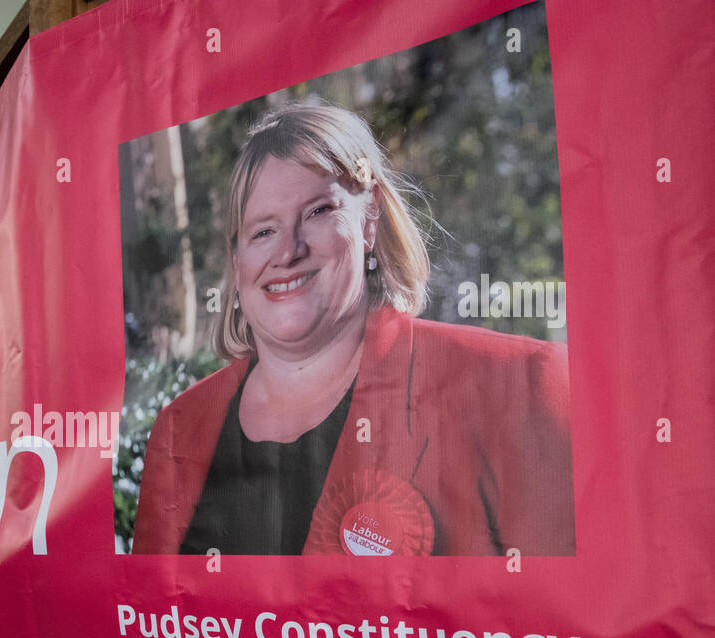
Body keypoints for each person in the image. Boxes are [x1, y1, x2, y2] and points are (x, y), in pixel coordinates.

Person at [132, 102, 573, 556]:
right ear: (236, 258)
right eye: (262, 232)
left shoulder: (518, 387)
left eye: (318, 211)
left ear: (369, 219)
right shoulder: (177, 431)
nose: (288, 251)